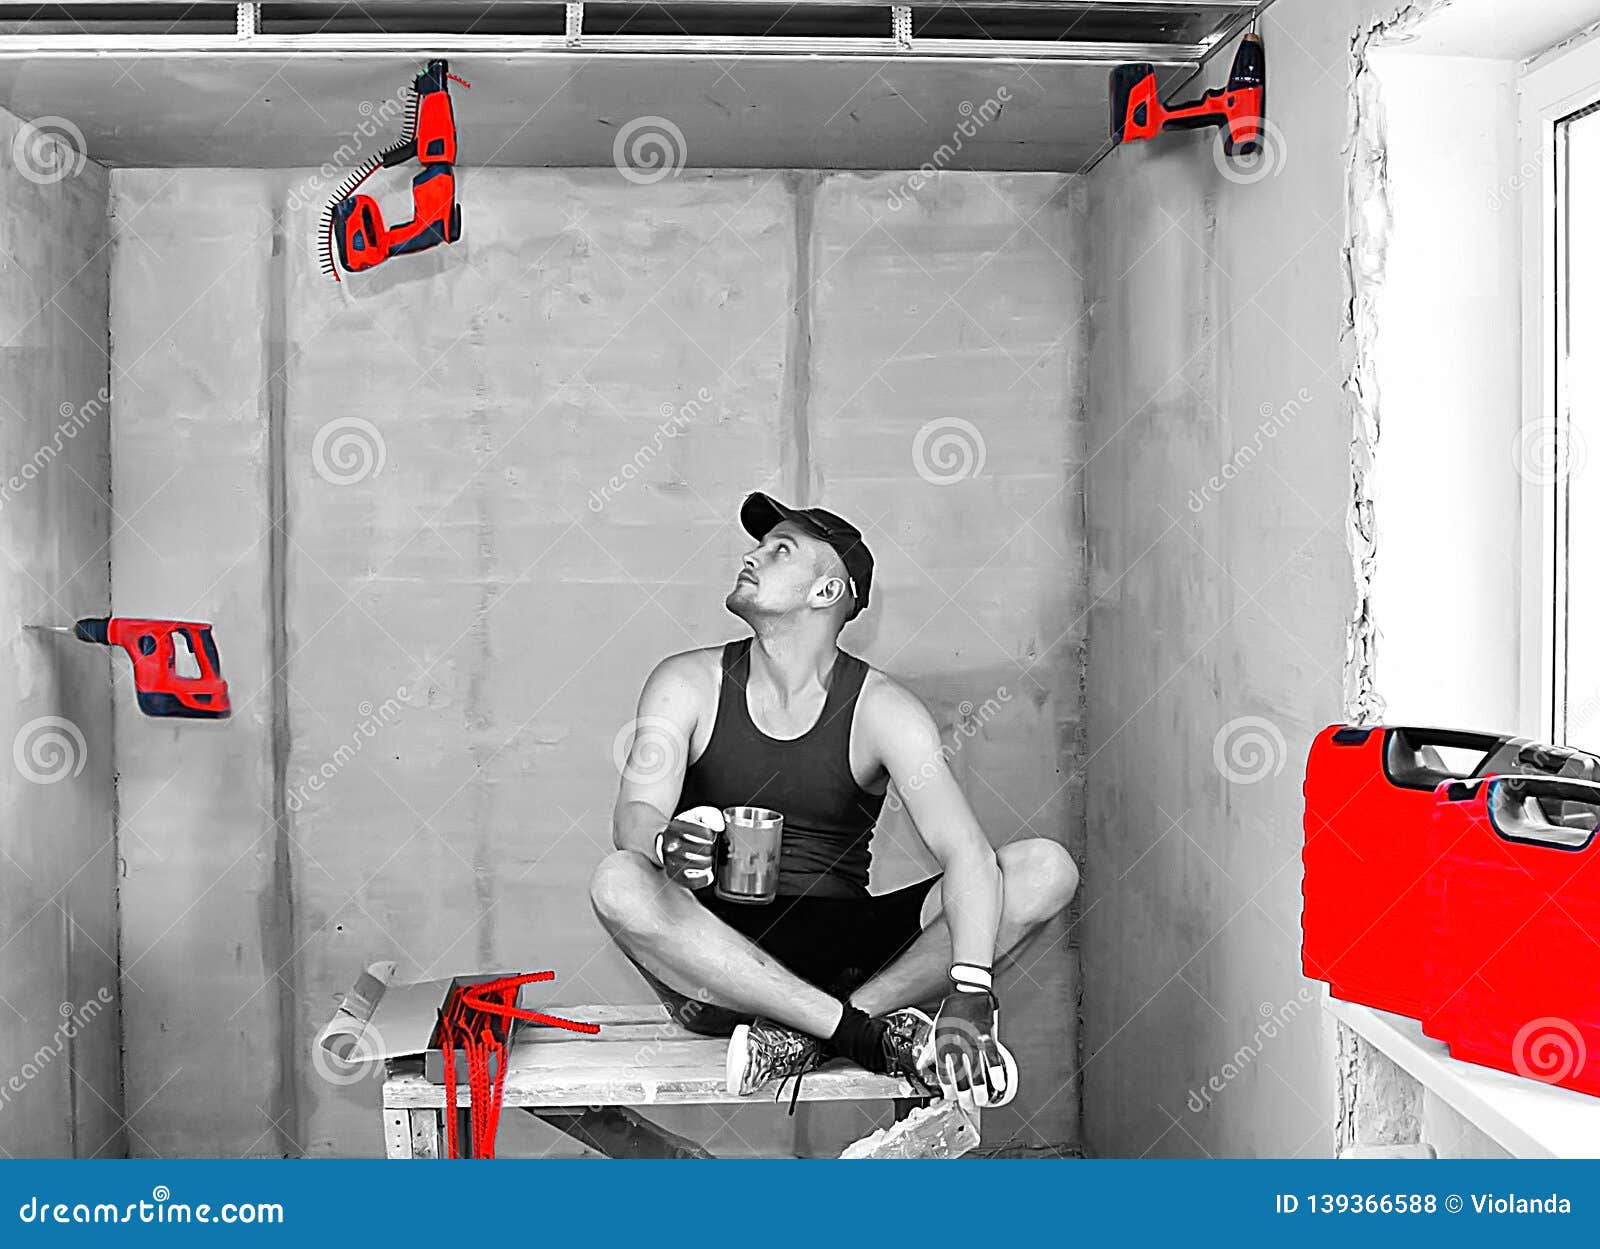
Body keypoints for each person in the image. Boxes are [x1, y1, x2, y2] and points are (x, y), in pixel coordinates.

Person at [589, 491, 1079, 1107]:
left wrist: (971, 989)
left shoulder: (885, 710)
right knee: (618, 879)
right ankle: (861, 1034)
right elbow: (634, 815)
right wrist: (664, 842)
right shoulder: (684, 683)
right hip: (720, 961)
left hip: (848, 953)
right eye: (760, 545)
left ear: (826, 593)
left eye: (780, 550)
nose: (753, 555)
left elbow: (966, 855)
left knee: (1044, 869)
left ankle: (819, 1031)